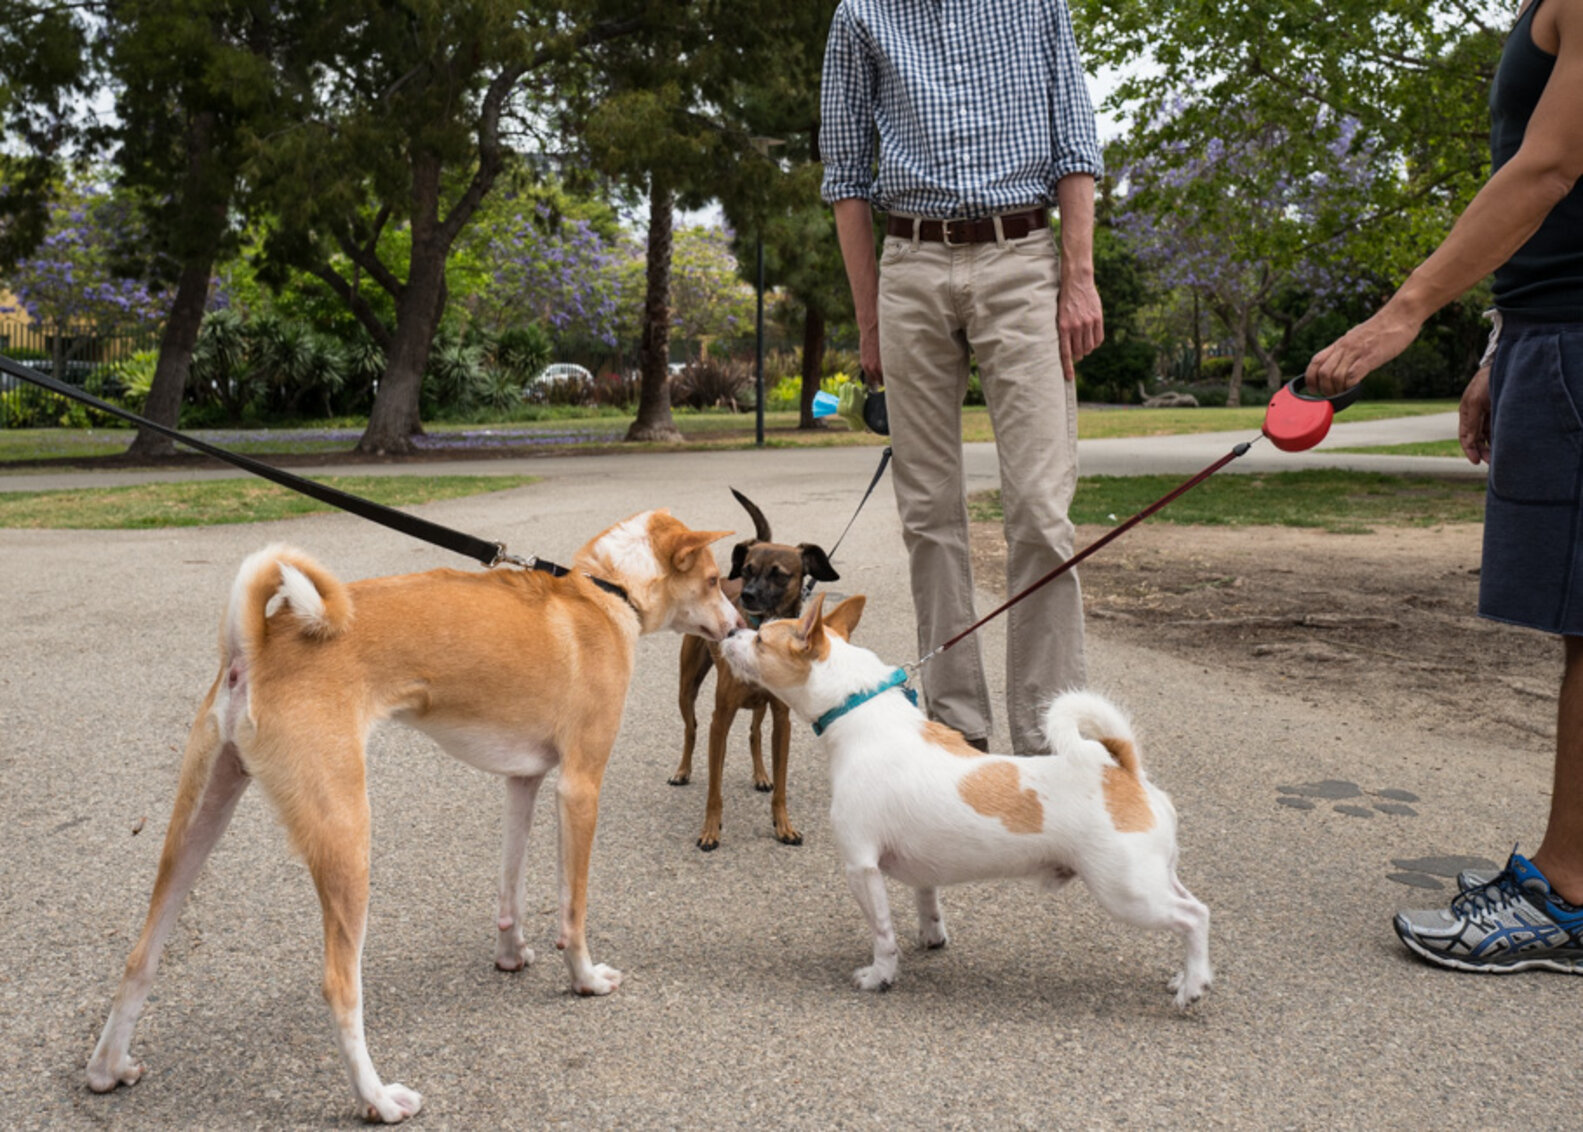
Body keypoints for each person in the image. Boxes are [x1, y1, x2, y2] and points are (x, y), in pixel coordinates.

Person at [1307, 0, 1583, 972]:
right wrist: (1499, 344)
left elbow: (1551, 165)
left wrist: (1405, 310)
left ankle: (1566, 892)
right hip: (1546, 329)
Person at [820, 0, 1106, 755]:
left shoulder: (1037, 5)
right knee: (928, 515)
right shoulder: (860, 16)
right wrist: (870, 318)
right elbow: (846, 177)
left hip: (1021, 257)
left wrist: (1077, 278)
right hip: (910, 262)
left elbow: (1076, 144)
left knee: (1042, 513)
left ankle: (1050, 739)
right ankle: (956, 732)